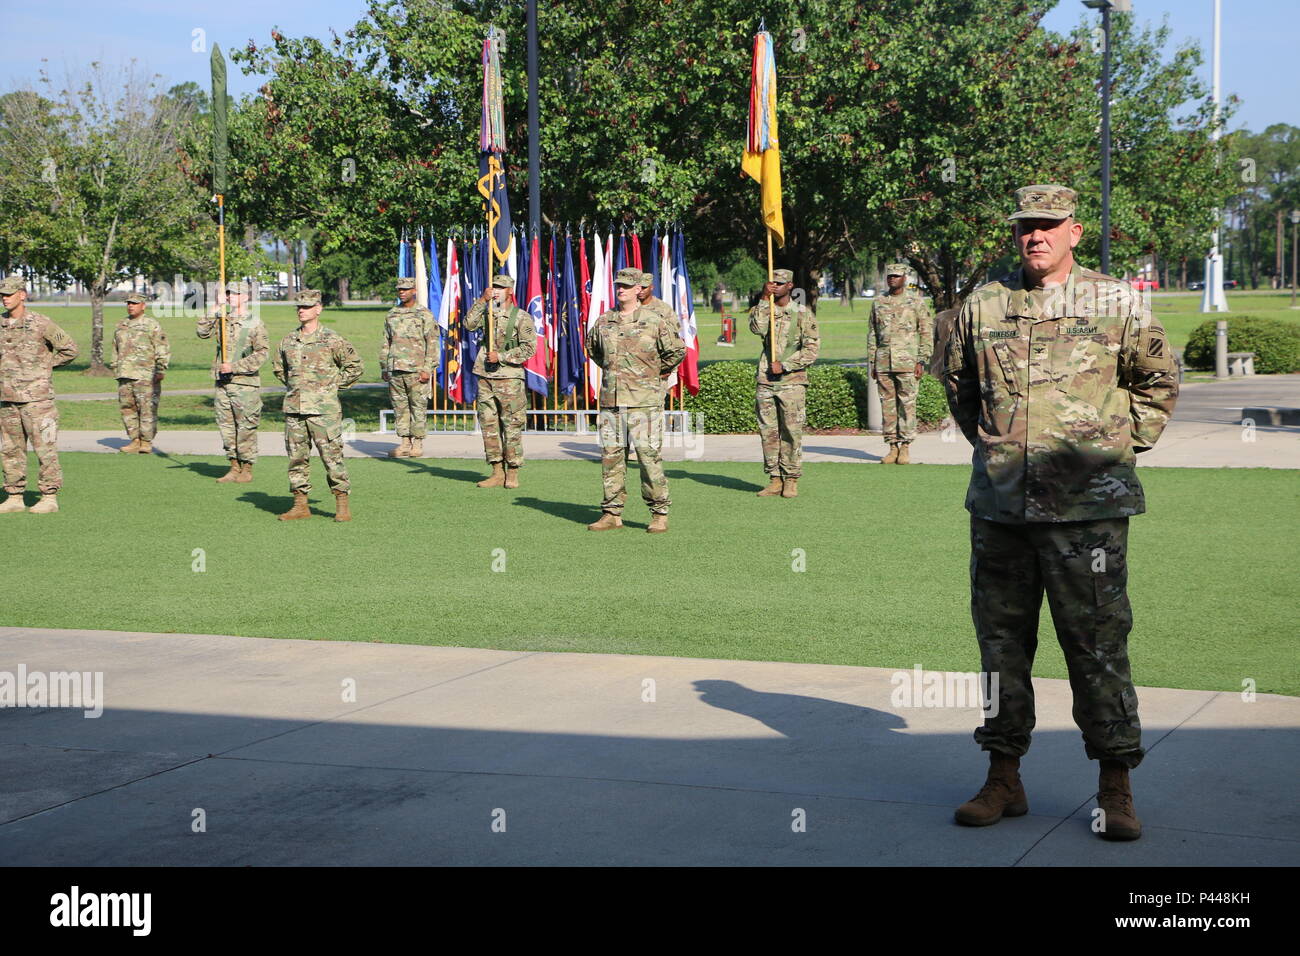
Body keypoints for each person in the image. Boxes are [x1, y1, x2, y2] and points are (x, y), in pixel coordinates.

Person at [943, 184, 1179, 841]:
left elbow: (1158, 380)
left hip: (1088, 515)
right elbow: (961, 387)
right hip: (1001, 511)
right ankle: (1003, 776)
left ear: (1076, 231)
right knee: (1000, 648)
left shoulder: (1113, 301)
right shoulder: (983, 304)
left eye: (1050, 225)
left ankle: (1115, 783)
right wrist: (997, 450)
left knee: (1099, 644)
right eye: (1026, 226)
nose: (1036, 236)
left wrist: (1115, 447)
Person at [586, 267, 684, 533]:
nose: (621, 290)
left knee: (648, 458)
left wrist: (651, 374)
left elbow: (676, 351)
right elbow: (594, 350)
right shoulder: (605, 321)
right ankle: (611, 513)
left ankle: (659, 513)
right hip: (611, 401)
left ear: (638, 290)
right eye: (618, 285)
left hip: (644, 401)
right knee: (611, 459)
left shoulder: (655, 320)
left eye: (627, 286)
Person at [271, 290, 364, 522]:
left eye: (307, 306)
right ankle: (300, 505)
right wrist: (298, 389)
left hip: (324, 411)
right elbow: (279, 369)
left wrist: (331, 388)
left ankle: (342, 504)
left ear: (318, 309)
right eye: (299, 307)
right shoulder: (288, 341)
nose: (302, 310)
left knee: (332, 458)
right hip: (294, 410)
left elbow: (355, 366)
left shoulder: (332, 339)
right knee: (296, 459)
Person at [0, 276, 78, 514]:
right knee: (10, 449)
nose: (4, 298)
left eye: (9, 294)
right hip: (7, 398)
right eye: (2, 295)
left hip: (37, 400)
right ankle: (14, 495)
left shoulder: (41, 323)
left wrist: (45, 366)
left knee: (45, 449)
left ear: (22, 295)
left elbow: (70, 350)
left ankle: (48, 496)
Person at [748, 268, 819, 497]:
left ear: (790, 286)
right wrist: (762, 298)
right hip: (766, 380)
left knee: (791, 431)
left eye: (780, 283)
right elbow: (756, 328)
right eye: (772, 283)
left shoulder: (802, 313)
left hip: (792, 382)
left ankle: (791, 478)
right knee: (768, 431)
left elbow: (812, 349)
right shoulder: (765, 310)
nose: (775, 286)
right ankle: (775, 477)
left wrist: (787, 364)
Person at [463, 274, 536, 488]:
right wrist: (481, 301)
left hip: (510, 378)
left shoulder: (521, 317)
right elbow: (468, 324)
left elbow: (529, 348)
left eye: (501, 288)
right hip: (485, 376)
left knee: (511, 425)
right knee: (488, 424)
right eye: (493, 287)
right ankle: (496, 470)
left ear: (510, 291)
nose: (496, 290)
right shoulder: (487, 312)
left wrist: (502, 357)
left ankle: (512, 471)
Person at [197, 282, 267, 484]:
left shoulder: (254, 323)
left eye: (235, 294)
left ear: (245, 297)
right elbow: (202, 332)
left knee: (245, 426)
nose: (230, 297)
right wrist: (214, 308)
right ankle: (233, 465)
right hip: (223, 383)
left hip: (245, 384)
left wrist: (235, 367)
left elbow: (262, 353)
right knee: (226, 427)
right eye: (227, 294)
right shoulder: (222, 320)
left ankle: (246, 467)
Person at [869, 263, 934, 464]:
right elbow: (872, 333)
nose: (892, 279)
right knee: (887, 405)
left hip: (907, 362)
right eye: (890, 276)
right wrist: (872, 361)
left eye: (896, 276)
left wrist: (922, 360)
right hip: (883, 362)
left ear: (905, 278)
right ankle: (892, 446)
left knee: (907, 405)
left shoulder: (916, 302)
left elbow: (925, 332)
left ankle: (905, 446)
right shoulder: (879, 302)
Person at [381, 277, 436, 458]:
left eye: (406, 289)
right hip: (396, 369)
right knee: (400, 407)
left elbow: (432, 343)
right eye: (399, 289)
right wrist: (384, 366)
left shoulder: (424, 314)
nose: (402, 292)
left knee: (418, 406)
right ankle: (405, 442)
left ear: (414, 290)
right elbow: (386, 342)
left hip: (417, 369)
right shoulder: (392, 314)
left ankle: (418, 443)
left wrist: (428, 368)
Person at [112, 292, 169, 454]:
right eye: (129, 303)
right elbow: (115, 348)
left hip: (146, 375)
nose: (131, 306)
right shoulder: (121, 324)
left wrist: (160, 369)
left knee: (147, 409)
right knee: (127, 408)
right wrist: (115, 366)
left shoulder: (152, 325)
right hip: (125, 373)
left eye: (135, 303)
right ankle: (134, 440)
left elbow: (162, 348)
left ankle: (146, 441)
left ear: (143, 306)